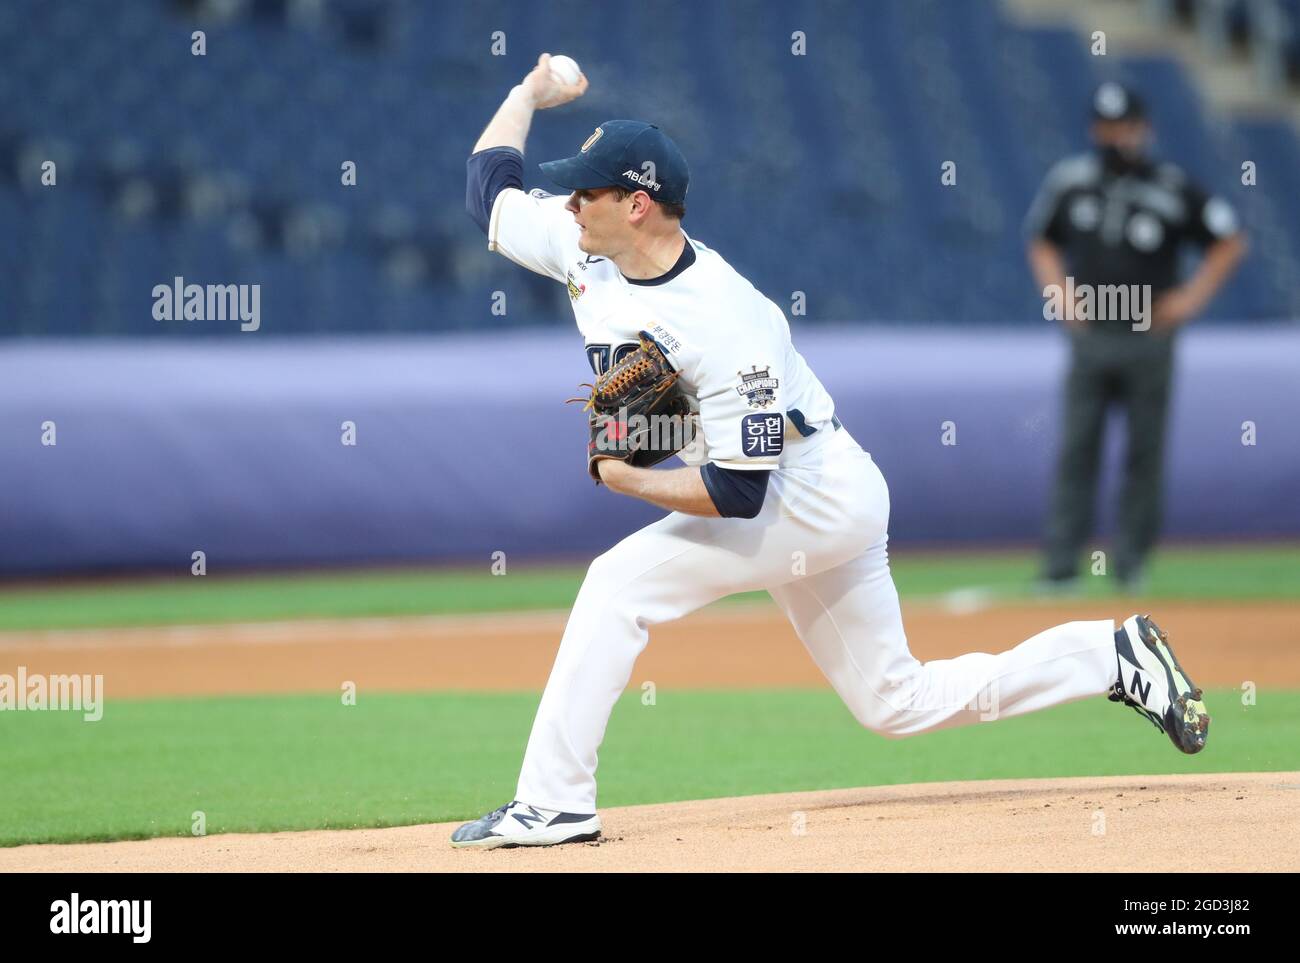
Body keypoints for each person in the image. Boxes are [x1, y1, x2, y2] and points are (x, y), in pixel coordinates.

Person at [453, 55, 1210, 849]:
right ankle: (1111, 654)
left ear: (637, 205)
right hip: (809, 493)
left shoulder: (727, 319)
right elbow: (487, 189)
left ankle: (554, 802)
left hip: (807, 493)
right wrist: (526, 92)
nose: (570, 203)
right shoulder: (584, 248)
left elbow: (740, 494)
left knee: (615, 586)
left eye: (588, 191)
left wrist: (625, 475)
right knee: (896, 701)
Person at [1026, 81, 1247, 591]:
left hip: (1149, 333)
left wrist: (1192, 298)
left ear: (1143, 129)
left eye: (1123, 126)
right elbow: (1040, 241)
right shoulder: (1072, 181)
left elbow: (1229, 239)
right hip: (1092, 333)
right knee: (1079, 445)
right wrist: (1059, 295)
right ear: (1092, 130)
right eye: (1105, 127)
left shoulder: (1172, 186)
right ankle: (1061, 567)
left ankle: (1130, 563)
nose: (1114, 137)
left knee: (1144, 450)